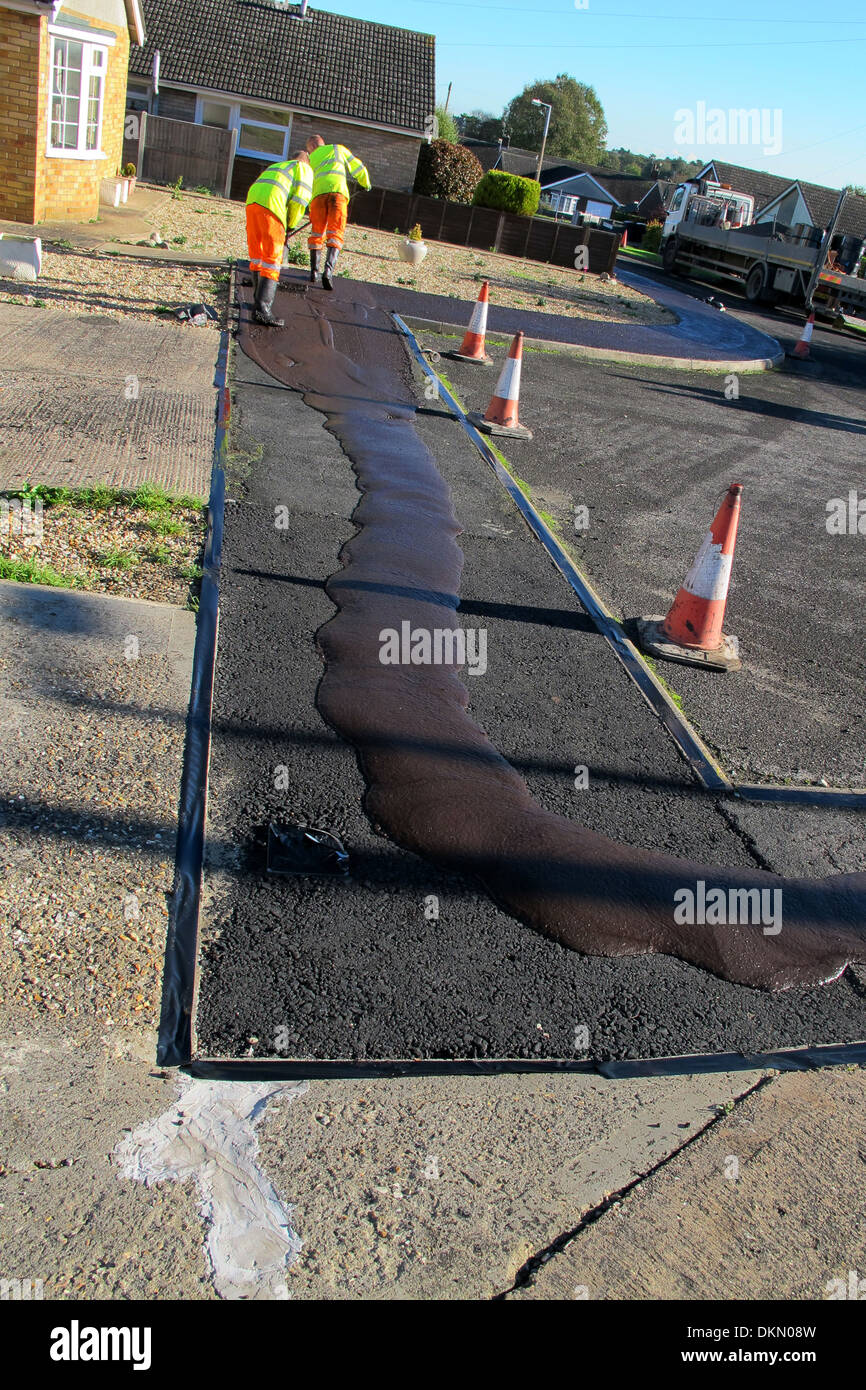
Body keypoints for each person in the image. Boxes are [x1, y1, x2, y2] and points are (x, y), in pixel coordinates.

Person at [245, 150, 314, 326]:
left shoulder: (278, 166)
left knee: (257, 254)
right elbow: (300, 199)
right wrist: (290, 225)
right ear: (306, 161)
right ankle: (262, 310)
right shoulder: (304, 169)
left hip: (252, 202)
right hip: (272, 204)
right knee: (272, 259)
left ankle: (256, 299)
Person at [305, 135, 371, 290]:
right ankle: (328, 272)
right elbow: (358, 168)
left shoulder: (309, 160)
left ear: (311, 148)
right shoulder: (337, 149)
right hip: (337, 194)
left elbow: (305, 182)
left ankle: (314, 272)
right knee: (335, 233)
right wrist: (366, 184)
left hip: (317, 197)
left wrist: (308, 205)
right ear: (322, 143)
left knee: (316, 233)